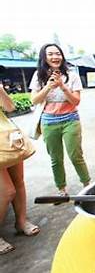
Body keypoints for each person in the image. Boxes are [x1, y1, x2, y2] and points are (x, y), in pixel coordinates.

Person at [29, 44, 91, 196]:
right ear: (44, 57)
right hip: (48, 122)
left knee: (76, 155)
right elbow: (34, 100)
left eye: (58, 54)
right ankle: (61, 189)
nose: (55, 57)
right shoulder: (38, 76)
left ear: (62, 56)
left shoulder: (72, 75)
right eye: (50, 54)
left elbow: (76, 101)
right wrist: (48, 87)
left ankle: (87, 185)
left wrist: (62, 86)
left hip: (71, 120)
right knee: (56, 158)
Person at [0, 84, 39, 255]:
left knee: (19, 182)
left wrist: (0, 90)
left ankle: (21, 222)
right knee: (7, 191)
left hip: (7, 138)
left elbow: (10, 107)